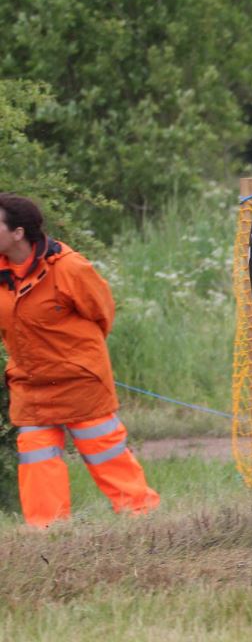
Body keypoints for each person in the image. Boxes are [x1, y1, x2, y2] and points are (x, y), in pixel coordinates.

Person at [0, 193, 159, 528]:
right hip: (30, 385)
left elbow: (102, 313)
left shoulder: (69, 267)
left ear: (17, 233)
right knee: (36, 457)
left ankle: (142, 519)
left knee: (105, 452)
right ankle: (48, 532)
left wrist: (77, 358)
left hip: (80, 381)